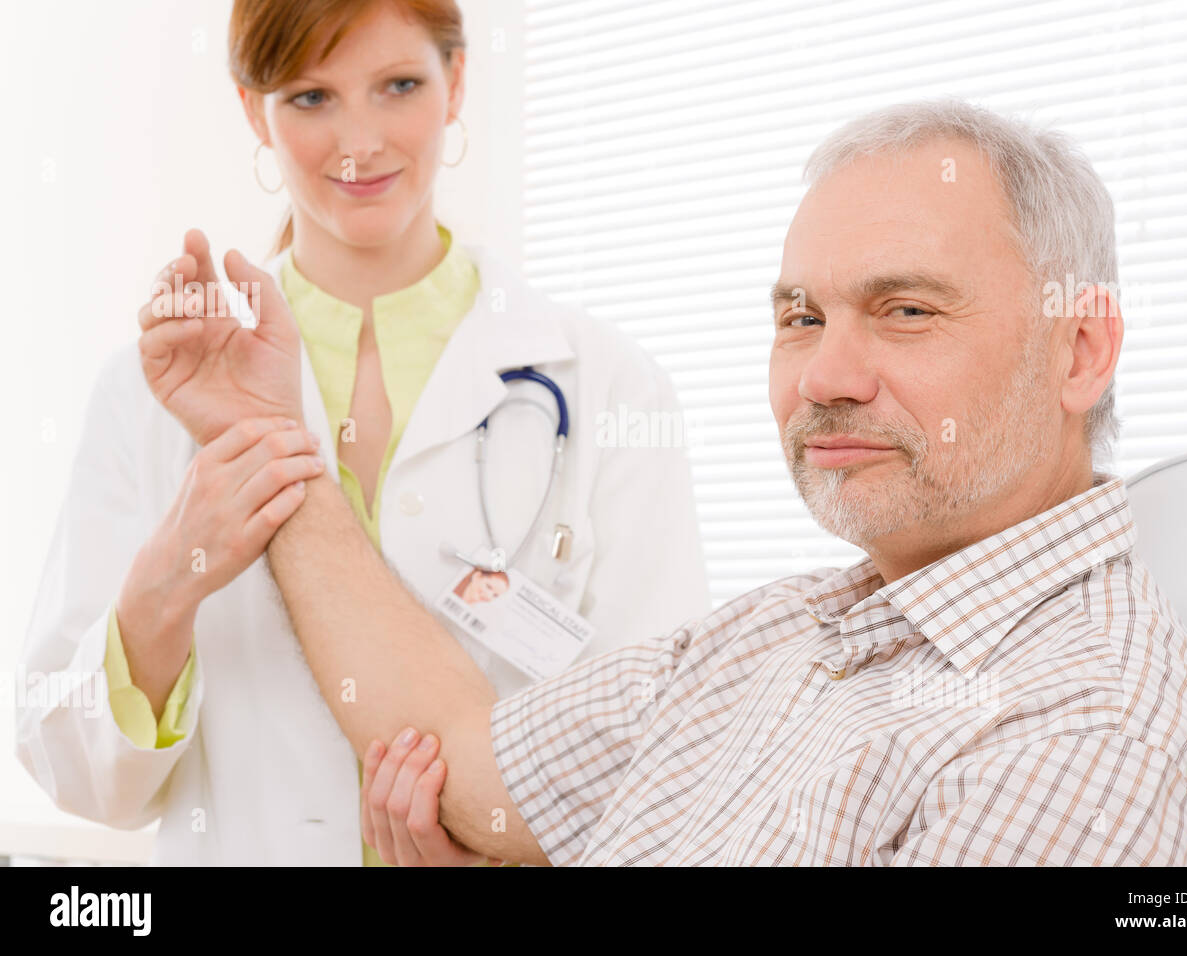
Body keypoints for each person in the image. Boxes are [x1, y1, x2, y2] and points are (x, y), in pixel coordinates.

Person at [129, 96, 1187, 866]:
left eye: (907, 310)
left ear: (1078, 350)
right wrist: (274, 436)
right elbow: (463, 759)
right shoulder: (786, 635)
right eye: (799, 317)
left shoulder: (1079, 735)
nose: (824, 373)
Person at [14, 0, 709, 866]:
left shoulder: (607, 384)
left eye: (399, 86)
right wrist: (173, 573)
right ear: (250, 108)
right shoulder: (147, 394)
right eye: (312, 98)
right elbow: (76, 775)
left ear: (456, 83)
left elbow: (668, 759)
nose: (358, 142)